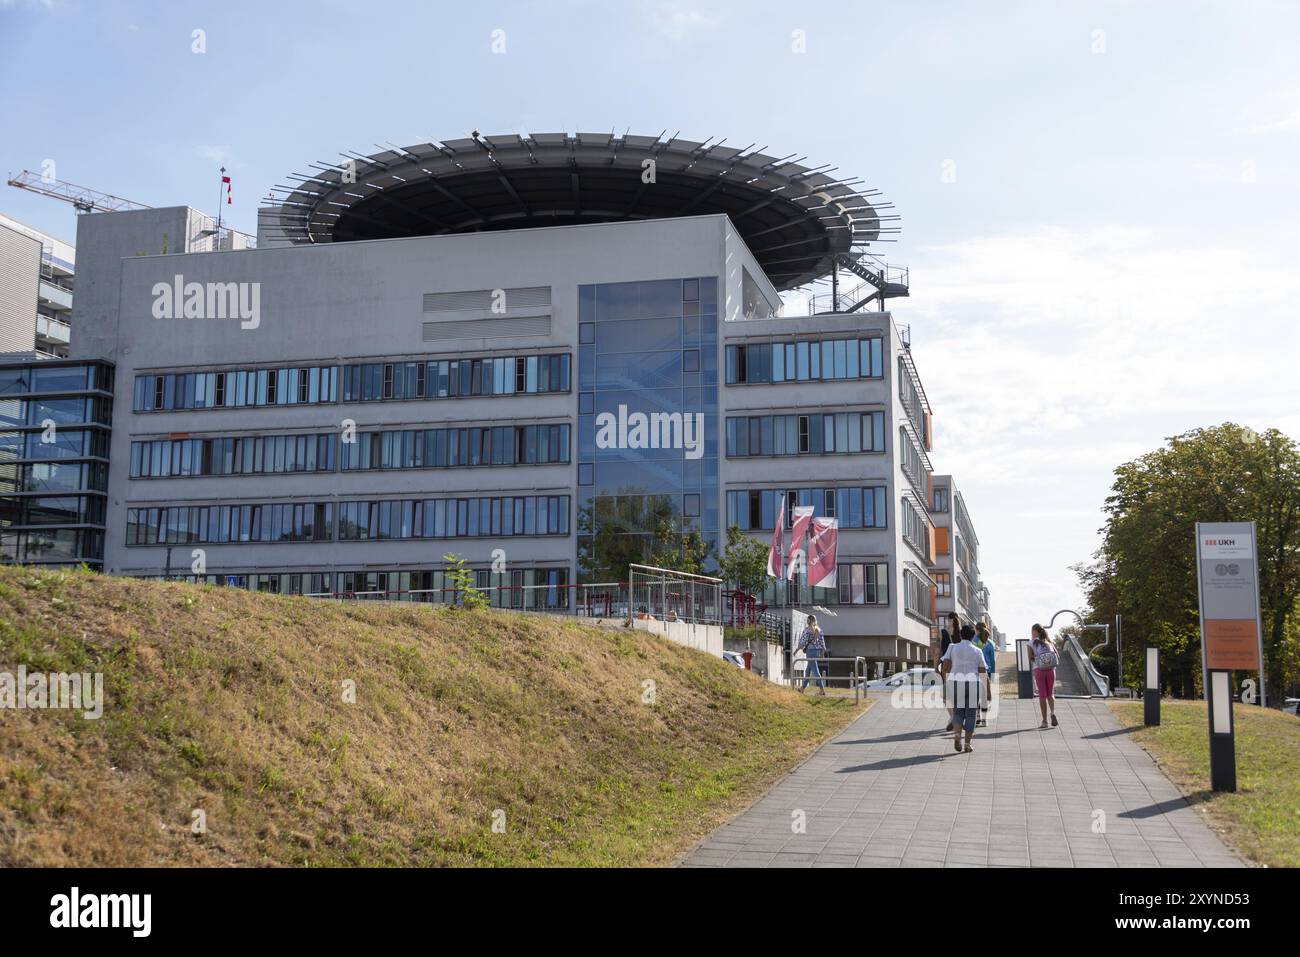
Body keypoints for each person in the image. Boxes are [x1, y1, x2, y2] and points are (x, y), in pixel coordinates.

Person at [939, 624, 988, 753]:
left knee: (958, 711)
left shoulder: (952, 647)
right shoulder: (977, 651)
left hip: (956, 682)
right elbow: (983, 671)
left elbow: (945, 666)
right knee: (971, 714)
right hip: (973, 682)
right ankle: (967, 744)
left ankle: (956, 736)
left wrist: (946, 680)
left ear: (960, 635)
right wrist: (987, 690)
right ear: (973, 637)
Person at [1029, 623, 1059, 729]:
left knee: (1042, 695)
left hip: (1039, 670)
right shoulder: (1049, 641)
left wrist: (1038, 658)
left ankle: (1044, 721)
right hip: (1051, 670)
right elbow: (1057, 655)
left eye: (1032, 631)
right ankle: (1052, 713)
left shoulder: (1031, 642)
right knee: (1050, 694)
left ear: (1035, 631)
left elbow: (1030, 657)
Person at [972, 623, 997, 726]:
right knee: (985, 696)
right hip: (987, 671)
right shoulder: (990, 643)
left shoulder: (973, 641)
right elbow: (992, 660)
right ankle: (984, 720)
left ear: (977, 630)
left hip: (975, 671)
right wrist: (993, 674)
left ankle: (977, 718)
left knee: (975, 696)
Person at [798, 615, 828, 696]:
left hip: (810, 651)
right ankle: (802, 689)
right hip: (817, 652)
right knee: (808, 670)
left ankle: (822, 690)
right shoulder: (819, 630)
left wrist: (798, 648)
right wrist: (823, 651)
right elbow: (822, 642)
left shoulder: (807, 630)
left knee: (815, 670)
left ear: (808, 621)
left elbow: (803, 641)